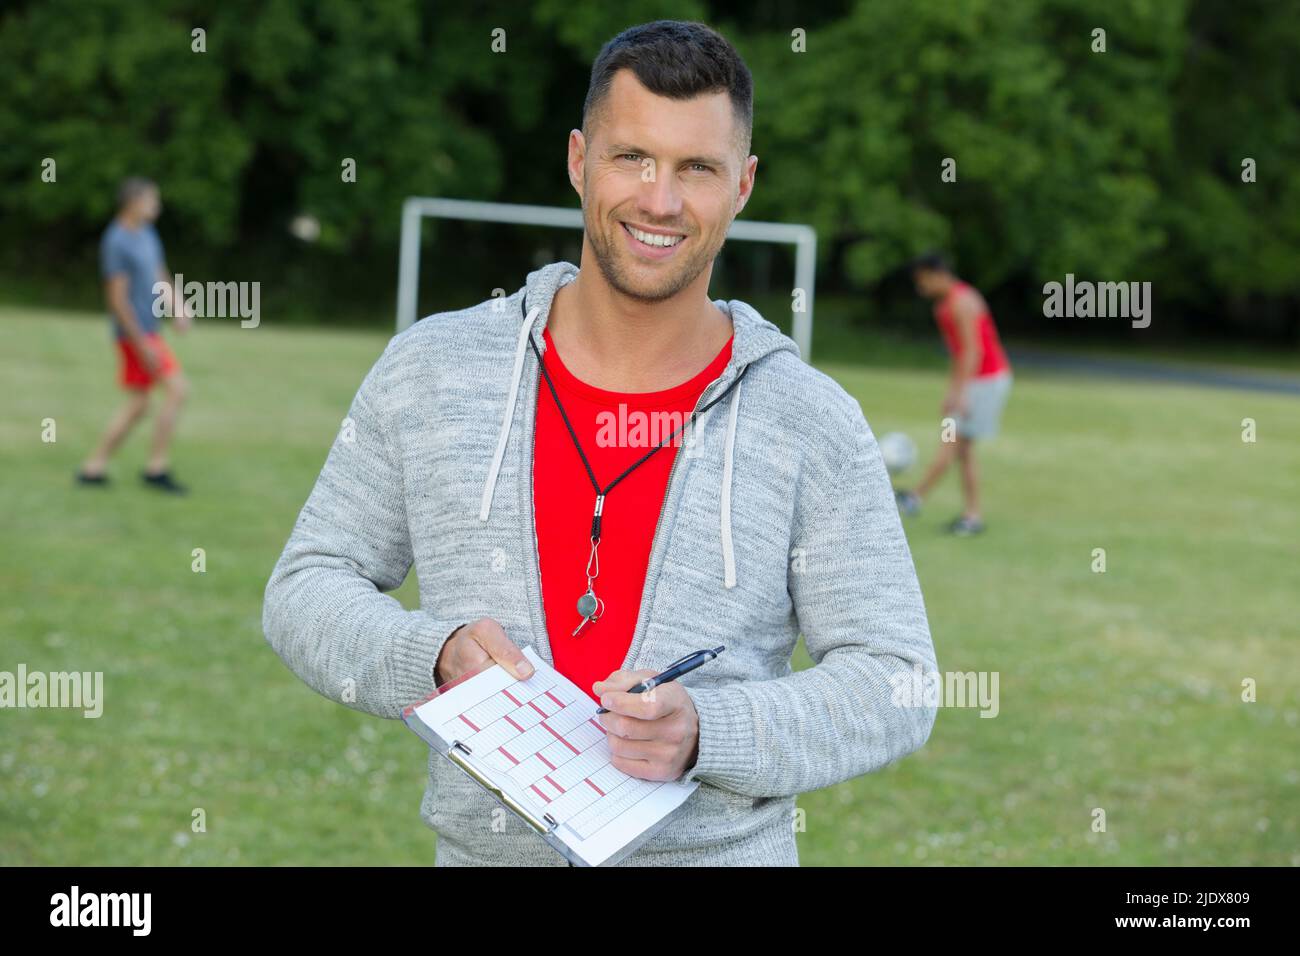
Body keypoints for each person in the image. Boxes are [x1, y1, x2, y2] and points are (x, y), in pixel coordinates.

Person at [263, 19, 937, 866]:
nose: (660, 200)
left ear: (745, 185)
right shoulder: (435, 369)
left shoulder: (809, 418)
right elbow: (304, 587)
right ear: (580, 160)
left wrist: (709, 731)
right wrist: (426, 654)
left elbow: (897, 682)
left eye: (698, 168)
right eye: (633, 158)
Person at [77, 177, 191, 494]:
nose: (158, 206)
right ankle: (156, 469)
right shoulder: (117, 241)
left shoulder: (147, 233)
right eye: (152, 200)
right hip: (135, 334)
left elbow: (159, 274)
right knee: (178, 389)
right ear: (134, 202)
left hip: (150, 330)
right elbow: (117, 299)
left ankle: (93, 467)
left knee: (139, 403)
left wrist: (178, 307)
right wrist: (141, 344)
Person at [895, 252, 1012, 535]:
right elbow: (959, 354)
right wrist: (953, 389)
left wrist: (960, 393)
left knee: (953, 443)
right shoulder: (944, 306)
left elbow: (974, 351)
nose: (919, 287)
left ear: (937, 275)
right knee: (964, 450)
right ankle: (971, 516)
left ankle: (915, 497)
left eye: (922, 280)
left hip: (984, 381)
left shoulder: (961, 302)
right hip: (974, 381)